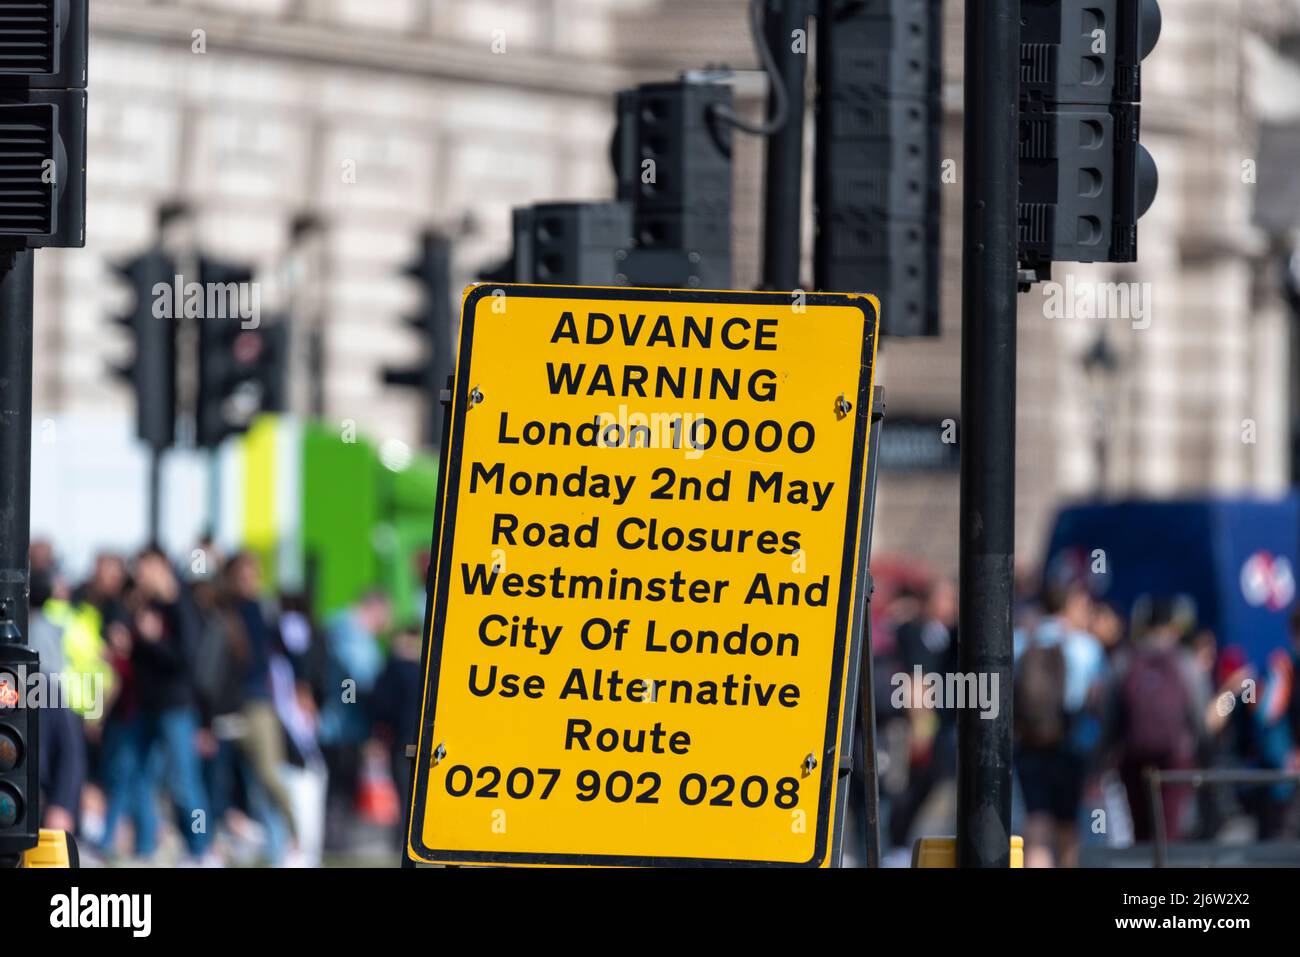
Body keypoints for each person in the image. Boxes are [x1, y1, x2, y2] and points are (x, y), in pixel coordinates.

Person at [128, 547, 215, 864]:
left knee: (184, 782)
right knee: (139, 777)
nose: (140, 576)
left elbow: (186, 659)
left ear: (161, 566)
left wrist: (153, 640)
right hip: (146, 706)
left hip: (176, 707)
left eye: (144, 568)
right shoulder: (144, 605)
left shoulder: (181, 605)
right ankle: (145, 848)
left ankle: (201, 850)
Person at [1013, 577, 1106, 867]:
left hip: (1030, 740)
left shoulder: (1022, 639)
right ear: (1070, 605)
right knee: (1068, 830)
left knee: (1037, 827)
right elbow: (1097, 701)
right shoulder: (1087, 647)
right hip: (1071, 744)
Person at [222, 552, 299, 860]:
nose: (248, 580)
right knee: (243, 780)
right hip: (227, 703)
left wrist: (301, 690)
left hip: (257, 702)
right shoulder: (224, 608)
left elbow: (285, 651)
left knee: (268, 773)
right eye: (242, 574)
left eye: (252, 573)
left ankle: (293, 834)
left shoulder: (264, 609)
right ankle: (269, 848)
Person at [1108, 598, 1200, 845]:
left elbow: (1111, 717)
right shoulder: (1184, 662)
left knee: (1140, 830)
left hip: (1134, 757)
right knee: (1170, 829)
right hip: (1175, 758)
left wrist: (1104, 759)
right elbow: (1198, 716)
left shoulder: (1125, 660)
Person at [319, 590, 391, 850]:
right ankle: (334, 844)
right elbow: (362, 678)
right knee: (340, 788)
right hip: (342, 727)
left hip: (343, 725)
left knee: (340, 787)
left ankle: (334, 842)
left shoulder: (346, 632)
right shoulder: (352, 636)